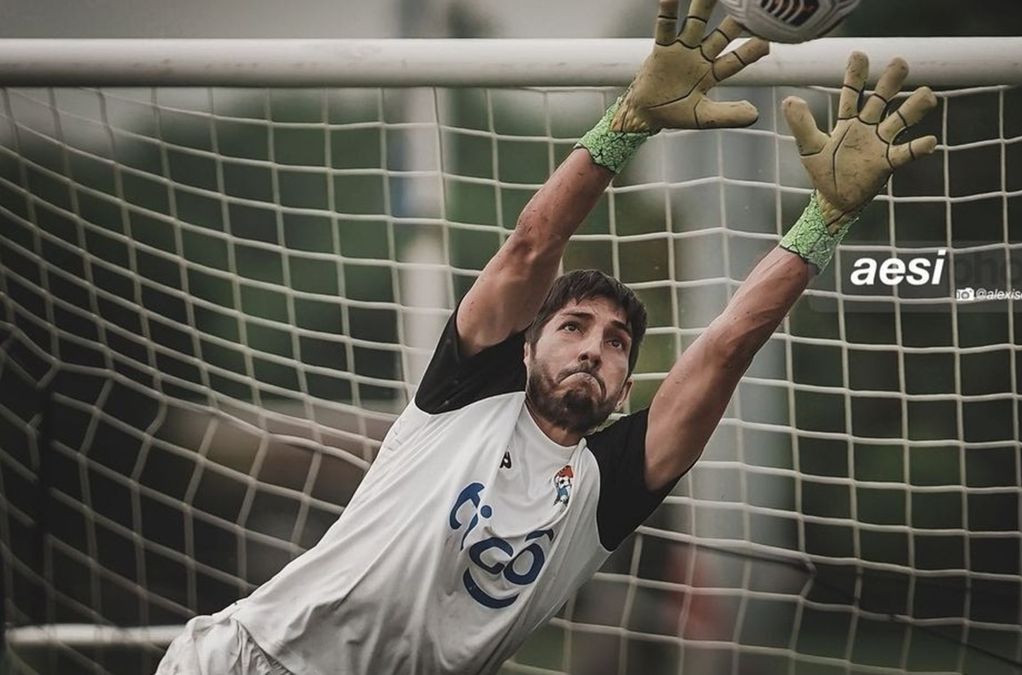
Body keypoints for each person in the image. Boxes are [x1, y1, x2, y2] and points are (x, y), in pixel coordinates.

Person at [155, 1, 937, 673]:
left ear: (627, 385)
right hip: (245, 659)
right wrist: (628, 121)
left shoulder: (610, 485)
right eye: (573, 326)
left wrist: (824, 219)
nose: (596, 346)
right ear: (527, 347)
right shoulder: (462, 393)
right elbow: (532, 244)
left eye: (619, 342)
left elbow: (728, 344)